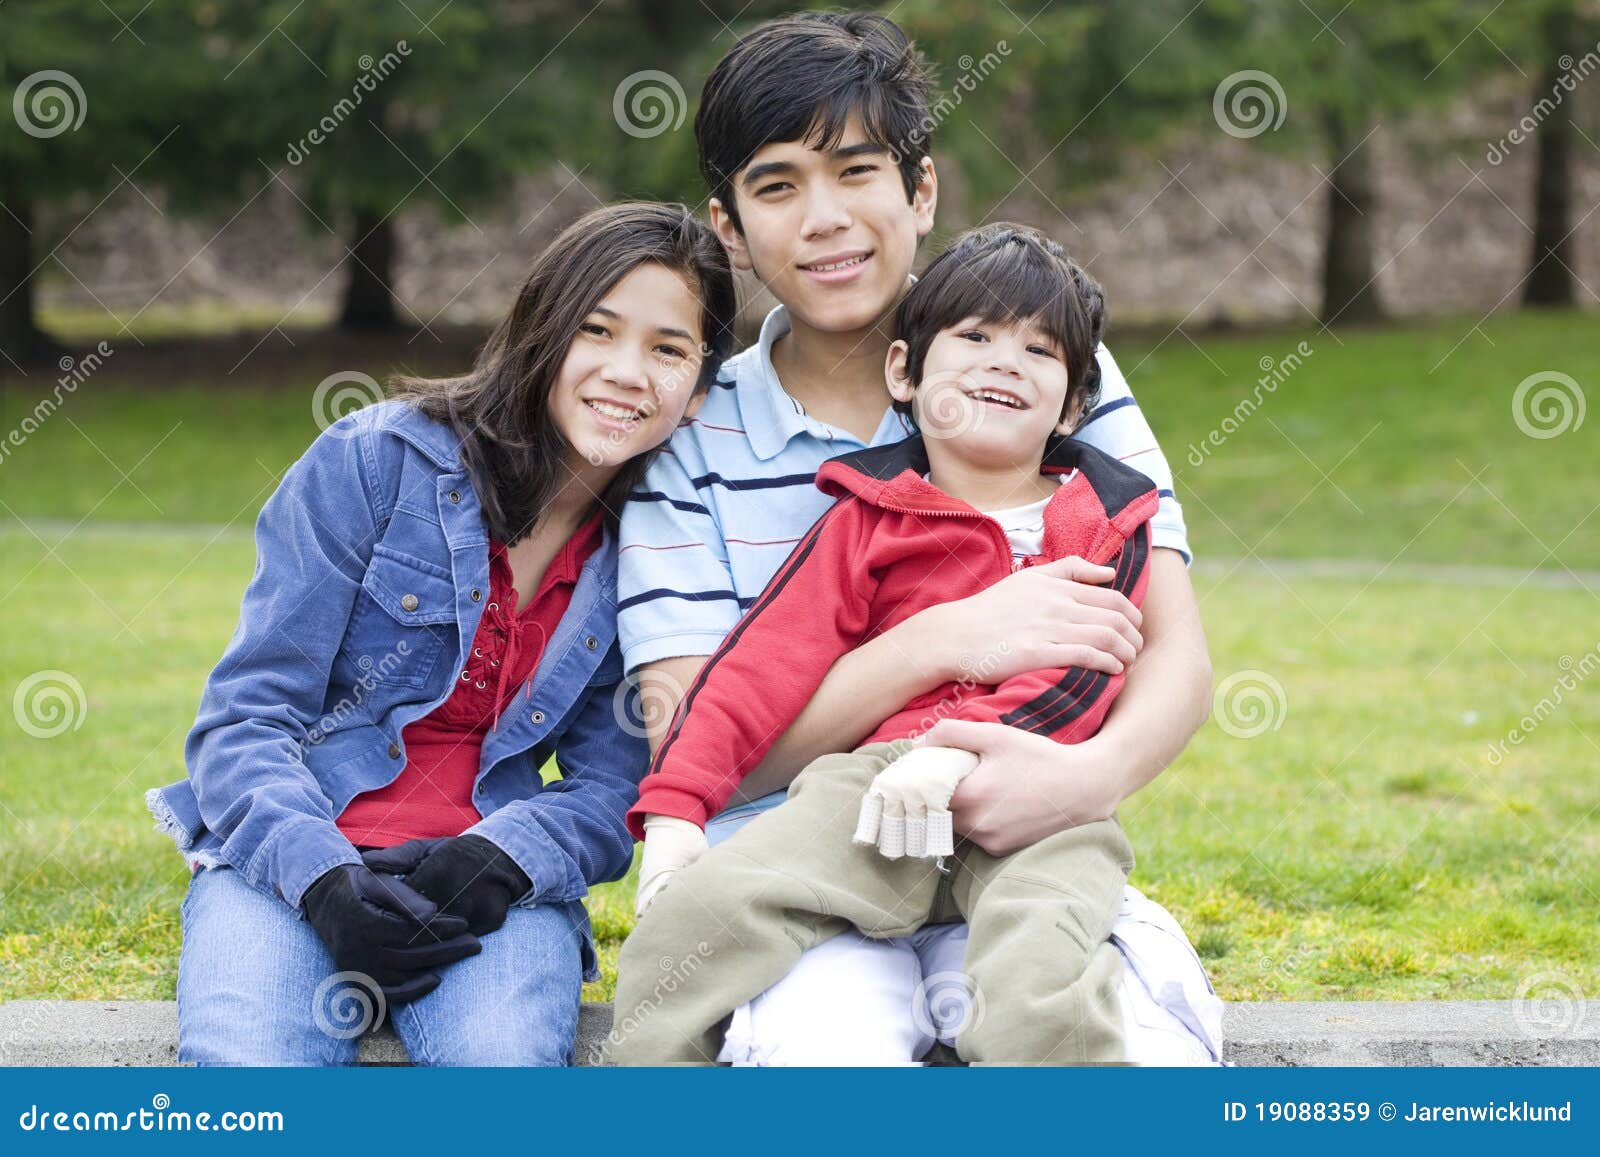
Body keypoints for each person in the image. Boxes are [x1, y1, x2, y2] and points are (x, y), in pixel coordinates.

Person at [616, 11, 1222, 1064]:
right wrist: (943, 639)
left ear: (921, 191)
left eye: (856, 171)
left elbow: (1176, 648)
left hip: (1029, 837)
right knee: (827, 1056)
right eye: (776, 186)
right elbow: (695, 732)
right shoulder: (693, 432)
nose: (824, 219)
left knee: (1117, 1042)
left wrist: (1089, 778)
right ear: (727, 226)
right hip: (796, 866)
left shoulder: (1040, 370)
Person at [145, 202, 736, 1066]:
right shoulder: (373, 462)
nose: (626, 372)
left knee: (500, 1069)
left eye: (668, 349)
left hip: (491, 888)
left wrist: (499, 860)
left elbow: (617, 784)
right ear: (541, 332)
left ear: (698, 389)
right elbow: (245, 722)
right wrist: (323, 879)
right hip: (291, 860)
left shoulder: (655, 544)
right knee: (248, 1068)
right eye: (596, 330)